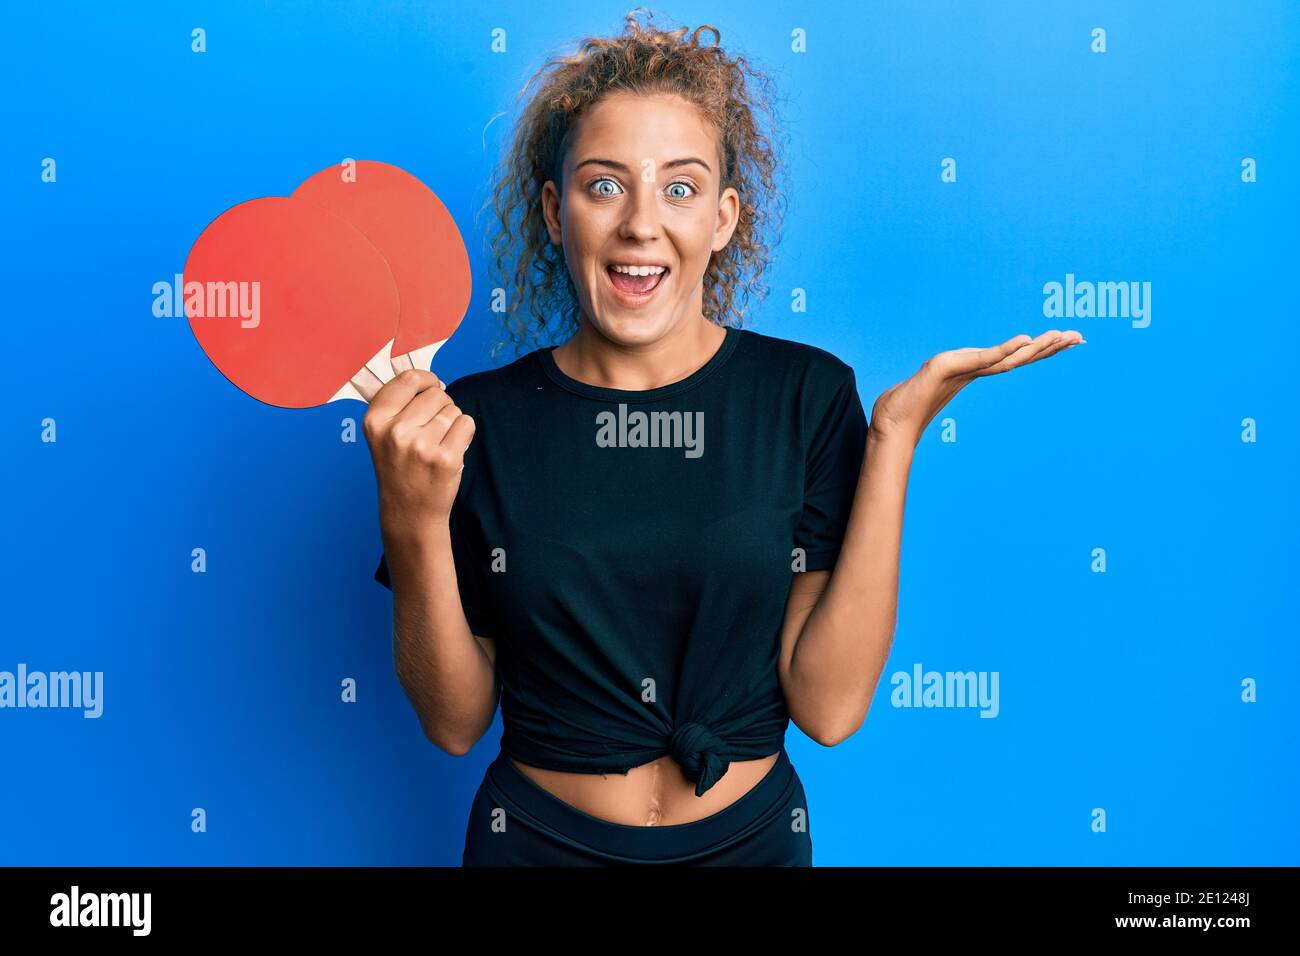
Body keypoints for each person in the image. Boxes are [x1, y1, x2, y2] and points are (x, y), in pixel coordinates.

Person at [363, 11, 1082, 866]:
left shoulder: (806, 397)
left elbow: (830, 708)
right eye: (603, 185)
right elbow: (453, 723)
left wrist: (892, 440)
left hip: (753, 845)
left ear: (724, 216)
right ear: (555, 213)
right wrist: (410, 520)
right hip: (536, 845)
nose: (640, 223)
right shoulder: (470, 422)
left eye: (679, 187)